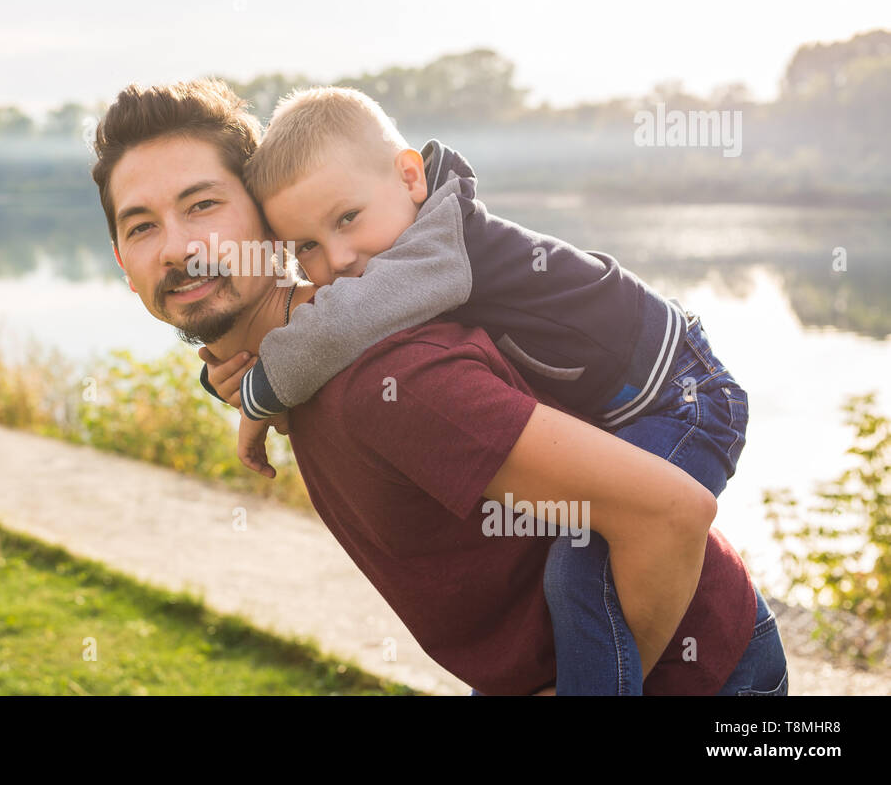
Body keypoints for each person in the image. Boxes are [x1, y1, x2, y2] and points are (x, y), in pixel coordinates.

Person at [90, 77, 787, 695]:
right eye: (143, 225)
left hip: (699, 674)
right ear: (124, 265)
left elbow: (669, 515)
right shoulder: (301, 365)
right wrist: (245, 394)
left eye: (202, 205)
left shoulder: (390, 376)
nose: (179, 247)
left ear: (264, 226)